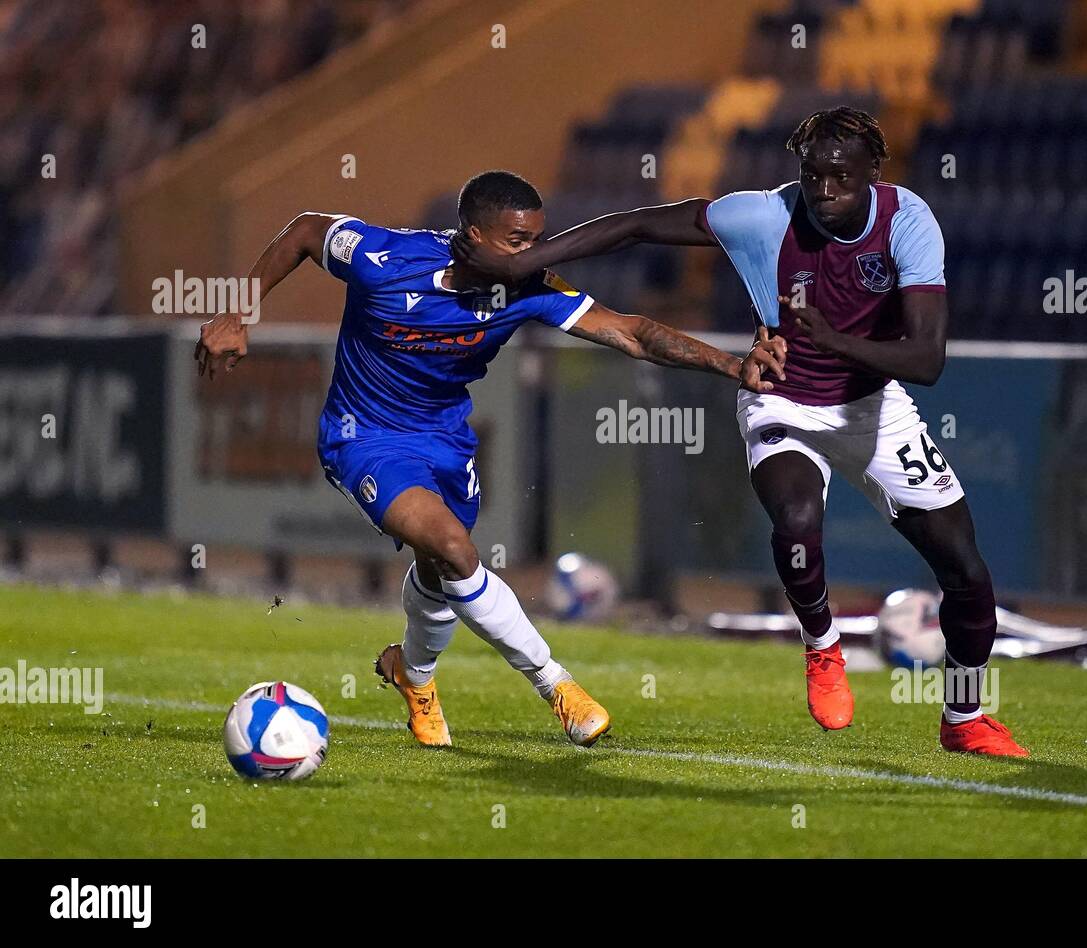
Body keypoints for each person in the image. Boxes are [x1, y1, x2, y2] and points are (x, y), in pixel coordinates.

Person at [452, 111, 1028, 756]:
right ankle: (823, 649)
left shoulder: (909, 220)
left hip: (874, 409)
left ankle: (965, 718)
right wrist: (532, 259)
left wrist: (831, 338)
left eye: (841, 176)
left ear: (873, 173)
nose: (825, 189)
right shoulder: (763, 216)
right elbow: (638, 225)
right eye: (813, 175)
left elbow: (927, 361)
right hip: (778, 396)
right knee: (797, 516)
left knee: (967, 572)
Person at [195, 170, 786, 749]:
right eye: (518, 242)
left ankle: (414, 677)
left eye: (538, 239)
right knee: (455, 550)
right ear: (472, 234)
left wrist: (734, 366)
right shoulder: (382, 256)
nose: (534, 253)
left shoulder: (529, 287)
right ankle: (558, 687)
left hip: (446, 441)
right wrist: (238, 312)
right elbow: (303, 230)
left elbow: (631, 333)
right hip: (364, 438)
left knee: (439, 569)